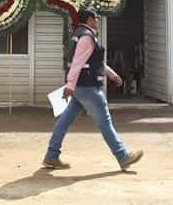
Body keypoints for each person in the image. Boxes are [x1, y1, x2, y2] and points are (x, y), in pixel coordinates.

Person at [42, 9, 144, 171]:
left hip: (80, 88)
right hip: (88, 88)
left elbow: (94, 62)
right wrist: (70, 84)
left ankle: (51, 155)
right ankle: (122, 156)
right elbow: (78, 63)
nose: (97, 21)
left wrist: (112, 75)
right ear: (89, 20)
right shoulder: (87, 38)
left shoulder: (79, 34)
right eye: (95, 18)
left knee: (64, 120)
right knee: (105, 122)